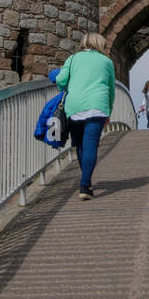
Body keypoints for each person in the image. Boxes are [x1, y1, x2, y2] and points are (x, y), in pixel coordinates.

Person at [54, 32, 116, 200]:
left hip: (75, 107)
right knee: (90, 145)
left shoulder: (73, 59)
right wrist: (108, 111)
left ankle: (85, 181)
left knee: (80, 146)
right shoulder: (106, 62)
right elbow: (111, 89)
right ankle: (85, 184)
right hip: (97, 106)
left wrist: (57, 78)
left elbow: (61, 80)